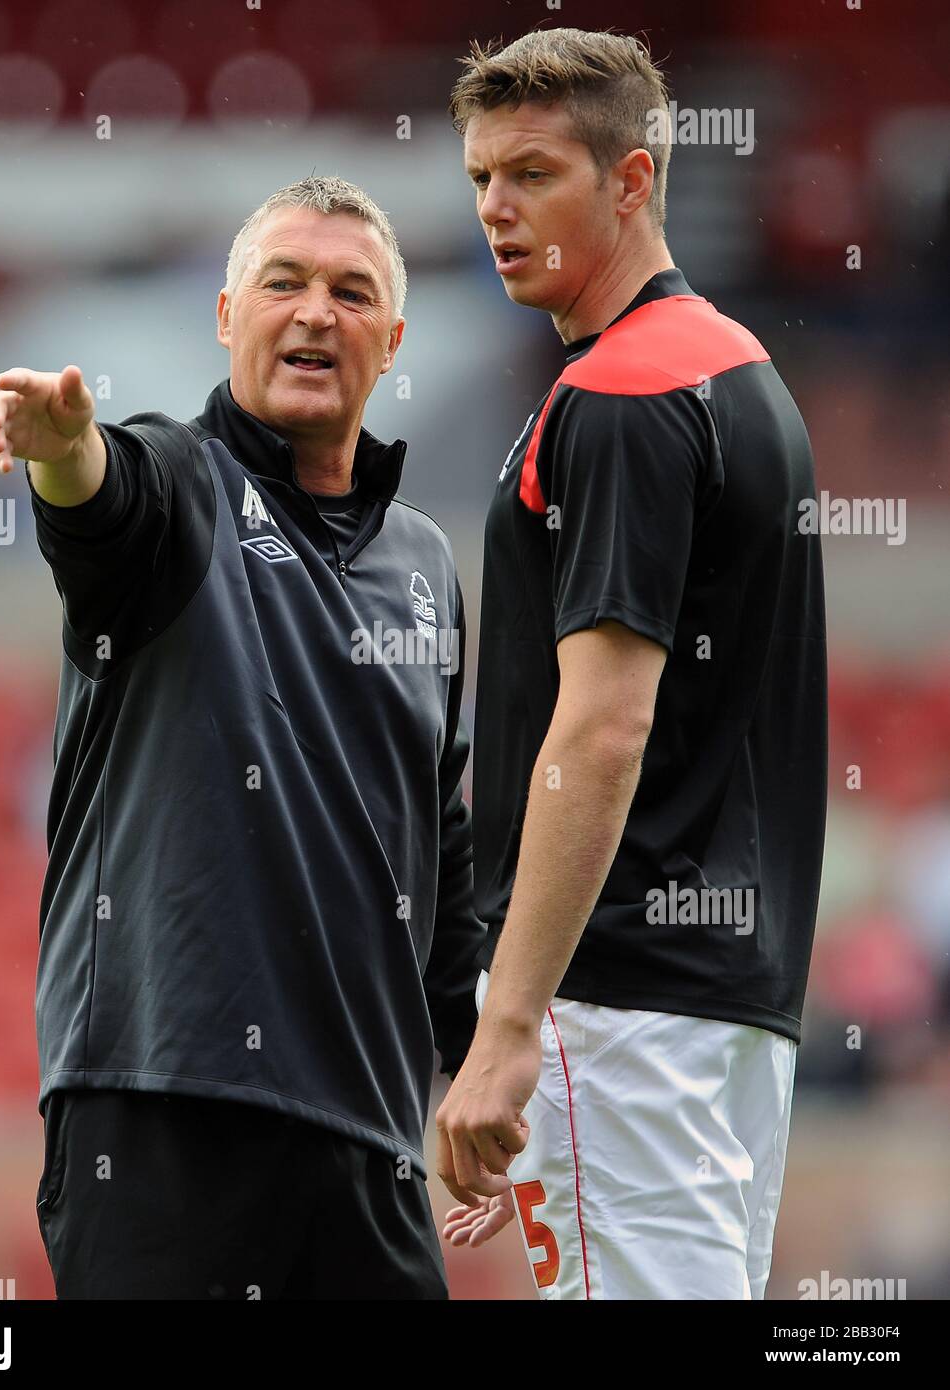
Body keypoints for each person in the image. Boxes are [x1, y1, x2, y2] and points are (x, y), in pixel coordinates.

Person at [0, 175, 484, 1300]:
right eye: (284, 282)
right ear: (226, 316)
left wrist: (483, 1061)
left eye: (352, 293)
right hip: (165, 1114)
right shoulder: (182, 482)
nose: (316, 311)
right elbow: (106, 504)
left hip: (370, 1142)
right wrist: (65, 454)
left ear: (391, 338)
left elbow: (435, 846)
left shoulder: (428, 568)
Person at [437, 29, 828, 1300]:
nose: (496, 206)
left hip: (614, 1004)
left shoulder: (620, 398)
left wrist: (507, 1034)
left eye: (533, 173)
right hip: (720, 1006)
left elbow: (602, 729)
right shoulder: (743, 378)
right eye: (481, 176)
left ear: (633, 181)